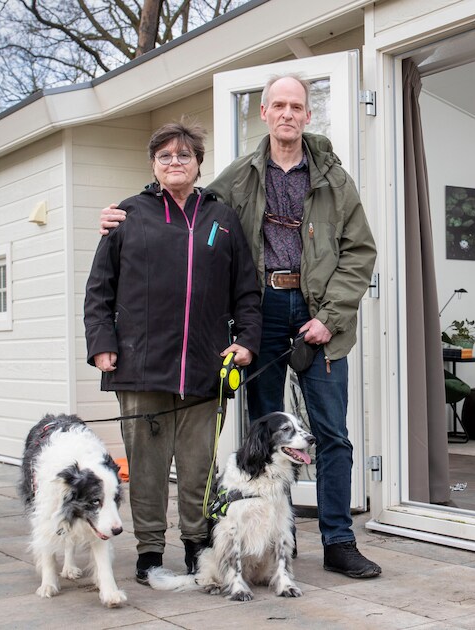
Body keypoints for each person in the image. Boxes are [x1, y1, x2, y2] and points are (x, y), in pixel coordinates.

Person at [100, 74, 380, 578]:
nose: (288, 113)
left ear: (307, 114)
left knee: (332, 433)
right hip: (263, 309)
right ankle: (271, 539)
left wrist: (330, 317)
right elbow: (187, 200)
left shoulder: (335, 180)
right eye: (279, 105)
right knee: (264, 438)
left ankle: (339, 540)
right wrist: (126, 212)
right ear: (265, 113)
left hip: (320, 315)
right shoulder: (241, 175)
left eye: (297, 106)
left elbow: (359, 252)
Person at [85, 121, 262, 586]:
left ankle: (196, 546)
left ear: (199, 163)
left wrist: (247, 340)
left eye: (184, 155)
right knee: (146, 467)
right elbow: (99, 289)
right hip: (140, 366)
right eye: (164, 156)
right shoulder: (127, 215)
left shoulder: (222, 219)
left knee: (198, 467)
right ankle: (148, 552)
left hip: (205, 367)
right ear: (153, 165)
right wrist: (102, 344)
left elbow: (246, 290)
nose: (175, 162)